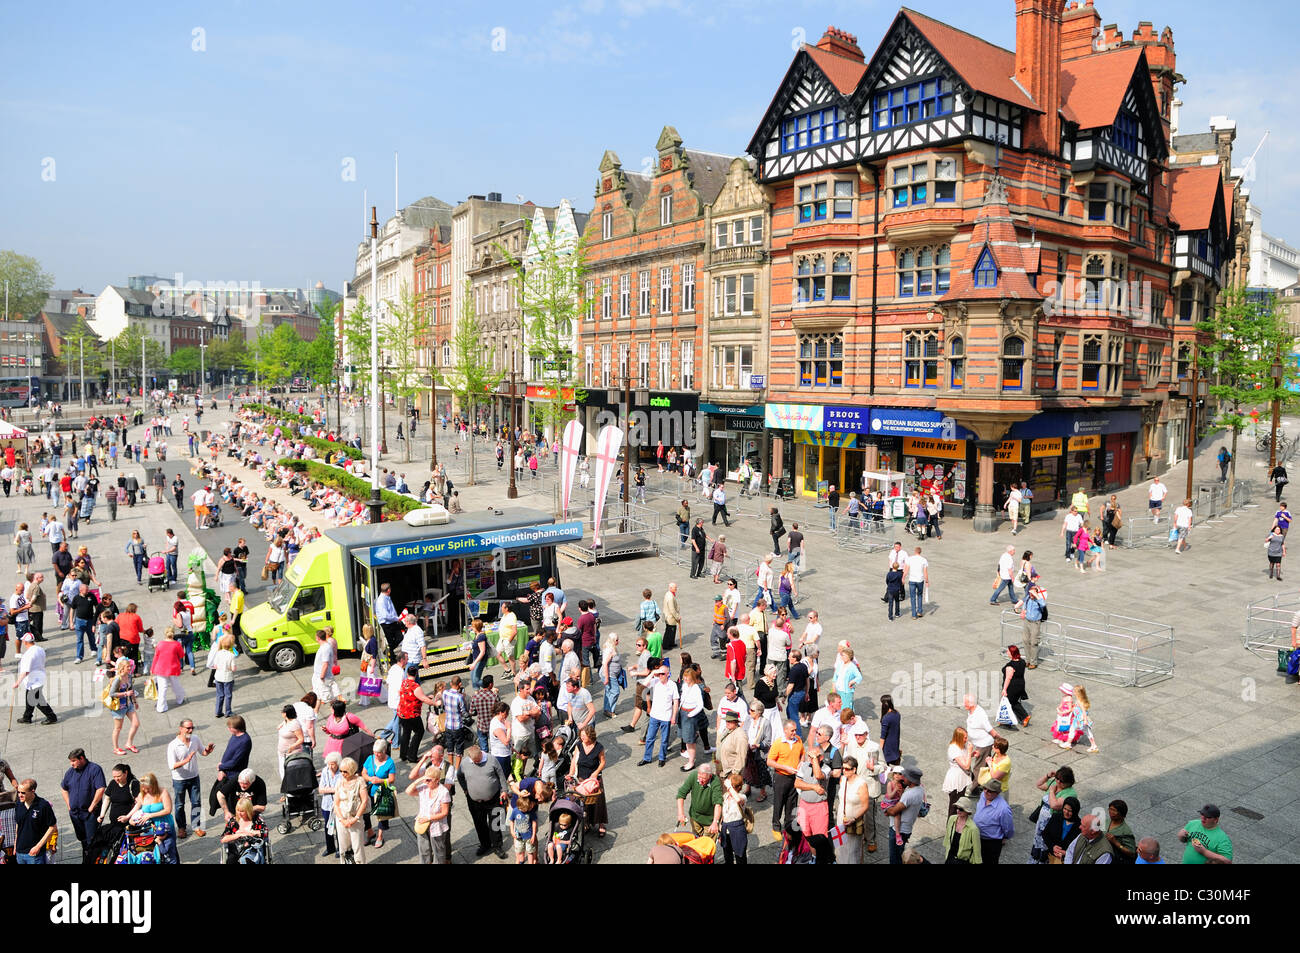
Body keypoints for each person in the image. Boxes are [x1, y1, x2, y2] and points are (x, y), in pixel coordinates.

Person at [168, 719, 214, 841]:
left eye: (192, 728)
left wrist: (207, 751)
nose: (190, 730)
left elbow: (202, 752)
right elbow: (172, 765)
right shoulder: (173, 745)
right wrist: (186, 760)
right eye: (188, 728)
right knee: (179, 805)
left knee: (196, 802)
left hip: (194, 776)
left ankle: (196, 826)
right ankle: (182, 828)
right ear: (181, 728)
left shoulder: (195, 738)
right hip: (179, 779)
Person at [460, 746, 508, 857]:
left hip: (494, 799)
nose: (476, 763)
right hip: (474, 801)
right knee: (479, 824)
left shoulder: (491, 760)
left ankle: (497, 846)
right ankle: (485, 845)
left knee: (495, 824)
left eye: (478, 760)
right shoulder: (465, 763)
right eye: (474, 761)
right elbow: (460, 776)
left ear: (481, 754)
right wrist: (465, 789)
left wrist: (504, 790)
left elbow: (501, 775)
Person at [60, 749, 106, 864]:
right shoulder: (70, 772)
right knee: (83, 839)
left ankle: (94, 860)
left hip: (89, 814)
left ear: (82, 758)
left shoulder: (94, 769)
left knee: (92, 840)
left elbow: (100, 789)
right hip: (75, 814)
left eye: (74, 761)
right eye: (71, 761)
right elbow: (64, 788)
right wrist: (69, 805)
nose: (72, 764)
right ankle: (86, 859)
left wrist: (92, 806)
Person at [407, 762, 452, 864]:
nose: (426, 782)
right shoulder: (424, 787)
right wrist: (418, 781)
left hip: (437, 825)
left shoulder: (443, 792)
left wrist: (428, 818)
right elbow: (408, 791)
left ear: (436, 780)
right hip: (422, 824)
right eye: (425, 779)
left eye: (429, 780)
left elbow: (445, 812)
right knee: (424, 850)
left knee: (439, 852)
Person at [569, 724, 608, 836]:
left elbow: (603, 762)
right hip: (581, 777)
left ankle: (601, 824)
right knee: (583, 802)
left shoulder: (599, 747)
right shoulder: (579, 745)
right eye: (581, 736)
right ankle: (586, 823)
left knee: (598, 801)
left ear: (590, 736)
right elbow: (574, 760)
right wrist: (571, 774)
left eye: (584, 736)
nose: (582, 738)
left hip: (594, 779)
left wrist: (596, 773)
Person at [637, 666, 679, 767]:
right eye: (659, 674)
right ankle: (647, 758)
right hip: (654, 715)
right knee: (650, 738)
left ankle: (662, 758)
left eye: (663, 674)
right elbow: (643, 684)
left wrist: (674, 716)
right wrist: (653, 673)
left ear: (668, 674)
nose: (660, 676)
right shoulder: (655, 681)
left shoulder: (672, 685)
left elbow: (676, 701)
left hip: (666, 717)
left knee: (664, 739)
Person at [883, 766, 925, 864]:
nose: (902, 778)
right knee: (900, 856)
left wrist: (886, 810)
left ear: (911, 780)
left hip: (899, 830)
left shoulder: (909, 795)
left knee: (895, 859)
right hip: (907, 829)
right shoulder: (920, 789)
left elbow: (893, 811)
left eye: (905, 777)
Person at [332, 758, 370, 864]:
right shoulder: (339, 782)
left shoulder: (360, 781)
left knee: (358, 847)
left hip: (355, 819)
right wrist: (342, 819)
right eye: (341, 771)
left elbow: (364, 801)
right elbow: (336, 803)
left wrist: (356, 818)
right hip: (341, 819)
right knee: (343, 847)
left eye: (345, 771)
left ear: (352, 770)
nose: (342, 773)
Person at [13, 778, 58, 864]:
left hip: (35, 854)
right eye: (18, 792)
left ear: (32, 791)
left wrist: (38, 847)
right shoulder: (19, 804)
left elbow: (52, 827)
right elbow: (18, 824)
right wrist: (15, 844)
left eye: (23, 793)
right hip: (20, 852)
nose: (20, 795)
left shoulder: (43, 805)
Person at [15, 633, 57, 724]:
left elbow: (26, 671)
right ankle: (27, 717)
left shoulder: (29, 654)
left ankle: (51, 717)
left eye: (23, 640)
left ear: (25, 642)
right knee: (30, 697)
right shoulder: (40, 649)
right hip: (39, 676)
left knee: (37, 700)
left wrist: (17, 682)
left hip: (33, 680)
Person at [676, 761, 723, 840]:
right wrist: (681, 813)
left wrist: (715, 822)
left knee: (706, 846)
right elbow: (681, 794)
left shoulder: (715, 782)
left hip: (709, 821)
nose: (700, 781)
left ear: (710, 776)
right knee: (696, 842)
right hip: (695, 818)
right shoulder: (693, 776)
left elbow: (718, 804)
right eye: (699, 777)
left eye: (704, 779)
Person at [973, 778, 1013, 863]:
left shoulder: (1004, 809)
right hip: (976, 837)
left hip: (991, 843)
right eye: (984, 788)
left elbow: (1008, 829)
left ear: (997, 793)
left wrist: (1004, 838)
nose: (986, 791)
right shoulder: (983, 796)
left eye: (990, 791)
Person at [107, 657, 142, 753]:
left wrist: (135, 702)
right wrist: (125, 694)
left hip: (129, 704)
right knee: (118, 728)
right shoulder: (117, 679)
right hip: (119, 707)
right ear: (122, 668)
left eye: (130, 666)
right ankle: (116, 748)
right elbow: (111, 693)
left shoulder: (129, 677)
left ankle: (129, 743)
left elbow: (132, 690)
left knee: (136, 723)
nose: (130, 668)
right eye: (128, 667)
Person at [152, 627, 186, 712]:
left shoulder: (160, 644)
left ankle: (161, 707)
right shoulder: (177, 644)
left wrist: (152, 668)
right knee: (176, 686)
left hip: (160, 668)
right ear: (173, 634)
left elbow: (156, 657)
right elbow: (182, 655)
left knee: (162, 688)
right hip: (173, 668)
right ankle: (180, 699)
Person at [942, 727, 974, 816]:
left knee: (960, 803)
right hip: (956, 781)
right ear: (959, 737)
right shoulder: (954, 749)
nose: (966, 740)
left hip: (962, 778)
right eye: (965, 738)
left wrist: (971, 755)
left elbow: (963, 759)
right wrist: (969, 751)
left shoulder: (961, 746)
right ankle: (951, 826)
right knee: (954, 807)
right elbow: (966, 766)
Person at [944, 795, 983, 864]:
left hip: (962, 861)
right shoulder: (952, 819)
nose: (958, 811)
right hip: (950, 857)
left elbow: (976, 850)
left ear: (967, 811)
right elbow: (947, 838)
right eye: (957, 808)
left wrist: (977, 862)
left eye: (961, 809)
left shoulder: (973, 829)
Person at [1106, 799, 1138, 863]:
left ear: (1121, 813)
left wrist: (1115, 842)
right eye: (1110, 809)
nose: (1111, 812)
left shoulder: (1126, 832)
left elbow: (1132, 853)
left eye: (1114, 810)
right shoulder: (1108, 820)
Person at [906, 545, 929, 619]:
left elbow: (906, 570)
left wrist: (903, 577)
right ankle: (919, 611)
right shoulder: (924, 560)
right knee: (919, 595)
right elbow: (925, 572)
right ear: (920, 552)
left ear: (915, 551)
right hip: (920, 580)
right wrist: (927, 581)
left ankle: (913, 614)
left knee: (913, 597)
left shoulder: (910, 559)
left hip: (912, 580)